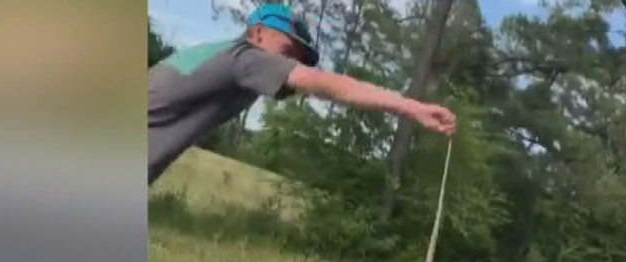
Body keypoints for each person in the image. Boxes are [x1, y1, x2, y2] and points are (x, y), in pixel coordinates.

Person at [148, 2, 457, 185]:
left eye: (295, 59)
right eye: (287, 51)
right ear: (257, 32)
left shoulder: (221, 58)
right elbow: (338, 87)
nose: (289, 64)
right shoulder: (248, 58)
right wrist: (410, 107)